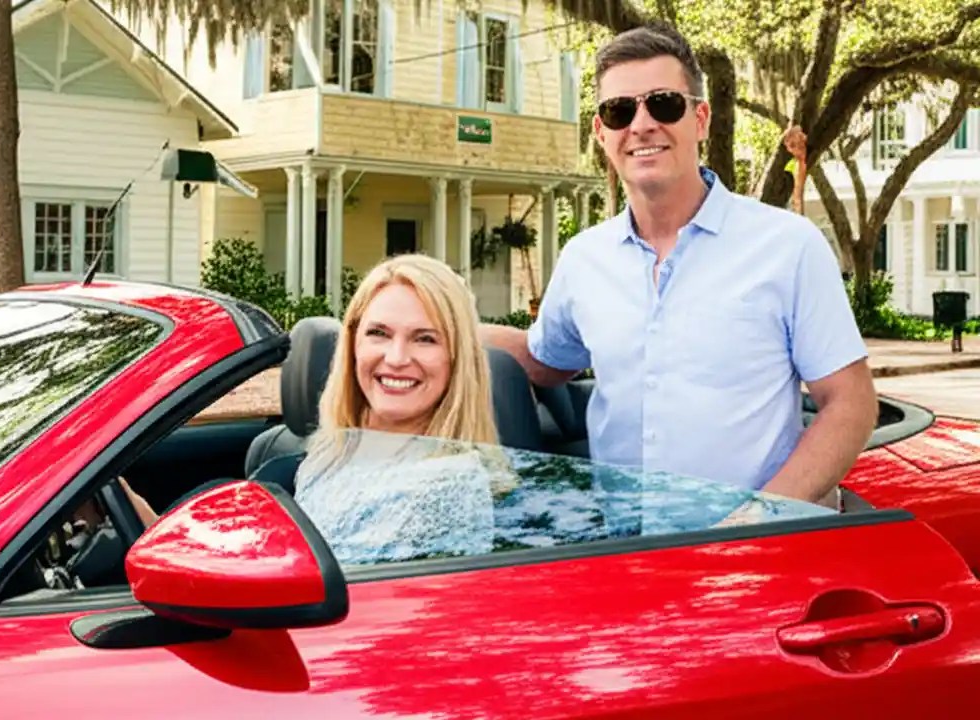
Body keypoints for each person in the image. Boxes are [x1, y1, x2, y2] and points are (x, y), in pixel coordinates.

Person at [480, 22, 877, 512]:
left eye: (663, 103)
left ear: (701, 119)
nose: (642, 125)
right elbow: (545, 360)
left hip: (755, 554)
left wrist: (761, 518)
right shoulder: (584, 258)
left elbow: (850, 403)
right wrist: (443, 326)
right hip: (624, 557)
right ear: (602, 134)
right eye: (619, 110)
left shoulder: (788, 246)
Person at [123, 254, 509, 563]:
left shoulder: (447, 483)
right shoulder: (333, 454)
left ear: (457, 358)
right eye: (379, 333)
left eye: (425, 339)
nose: (396, 357)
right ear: (353, 343)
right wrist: (129, 509)